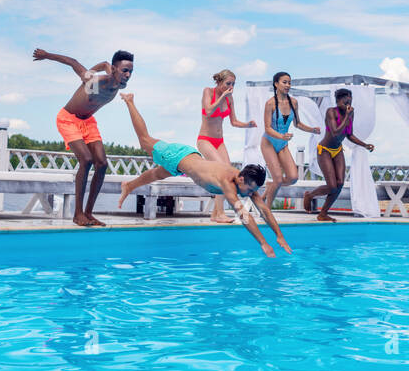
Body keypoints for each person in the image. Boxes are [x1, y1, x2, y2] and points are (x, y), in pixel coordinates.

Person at [117, 92, 291, 257]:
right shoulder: (227, 183)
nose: (249, 193)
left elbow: (264, 210)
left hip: (188, 158)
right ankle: (130, 101)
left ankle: (129, 185)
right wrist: (262, 243)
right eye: (249, 189)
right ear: (241, 178)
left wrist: (279, 235)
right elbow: (243, 215)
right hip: (177, 157)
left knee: (158, 174)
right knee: (145, 139)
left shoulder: (246, 182)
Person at [32, 46, 134, 227]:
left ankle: (88, 213)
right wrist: (46, 55)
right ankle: (77, 213)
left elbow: (104, 63)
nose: (128, 75)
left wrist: (103, 65)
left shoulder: (117, 85)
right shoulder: (93, 82)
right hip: (68, 119)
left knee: (102, 163)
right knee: (86, 160)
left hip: (88, 122)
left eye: (130, 72)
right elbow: (73, 62)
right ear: (115, 68)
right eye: (125, 70)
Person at [303, 87, 375, 222]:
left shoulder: (351, 114)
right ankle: (310, 195)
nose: (348, 104)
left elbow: (349, 134)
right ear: (337, 101)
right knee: (331, 185)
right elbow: (335, 132)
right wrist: (347, 116)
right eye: (345, 101)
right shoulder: (331, 112)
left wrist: (365, 145)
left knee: (340, 183)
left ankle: (323, 213)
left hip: (337, 150)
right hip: (324, 150)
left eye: (350, 101)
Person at [198, 69, 257, 224]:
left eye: (233, 84)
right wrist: (222, 97)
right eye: (228, 83)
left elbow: (234, 121)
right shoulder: (208, 92)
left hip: (219, 141)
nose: (231, 87)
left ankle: (216, 214)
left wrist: (247, 125)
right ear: (219, 82)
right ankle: (220, 213)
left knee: (228, 173)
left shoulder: (229, 98)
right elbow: (209, 111)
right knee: (222, 173)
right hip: (205, 140)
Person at [261, 70, 320, 209]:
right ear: (276, 84)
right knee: (278, 178)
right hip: (269, 142)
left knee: (293, 178)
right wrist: (281, 136)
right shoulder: (270, 104)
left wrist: (312, 129)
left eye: (289, 82)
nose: (287, 85)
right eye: (284, 82)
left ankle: (270, 185)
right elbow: (267, 128)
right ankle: (267, 209)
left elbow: (297, 123)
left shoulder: (294, 102)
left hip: (282, 144)